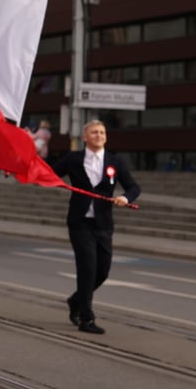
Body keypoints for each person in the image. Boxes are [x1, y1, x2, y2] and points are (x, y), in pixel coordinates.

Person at [51, 120, 140, 334]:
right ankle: (86, 318)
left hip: (103, 224)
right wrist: (26, 171)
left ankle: (76, 300)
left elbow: (133, 187)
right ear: (85, 137)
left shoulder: (114, 161)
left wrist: (125, 198)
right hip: (80, 223)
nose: (99, 135)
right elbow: (50, 175)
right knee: (87, 268)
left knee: (102, 271)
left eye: (102, 132)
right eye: (94, 132)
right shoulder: (74, 159)